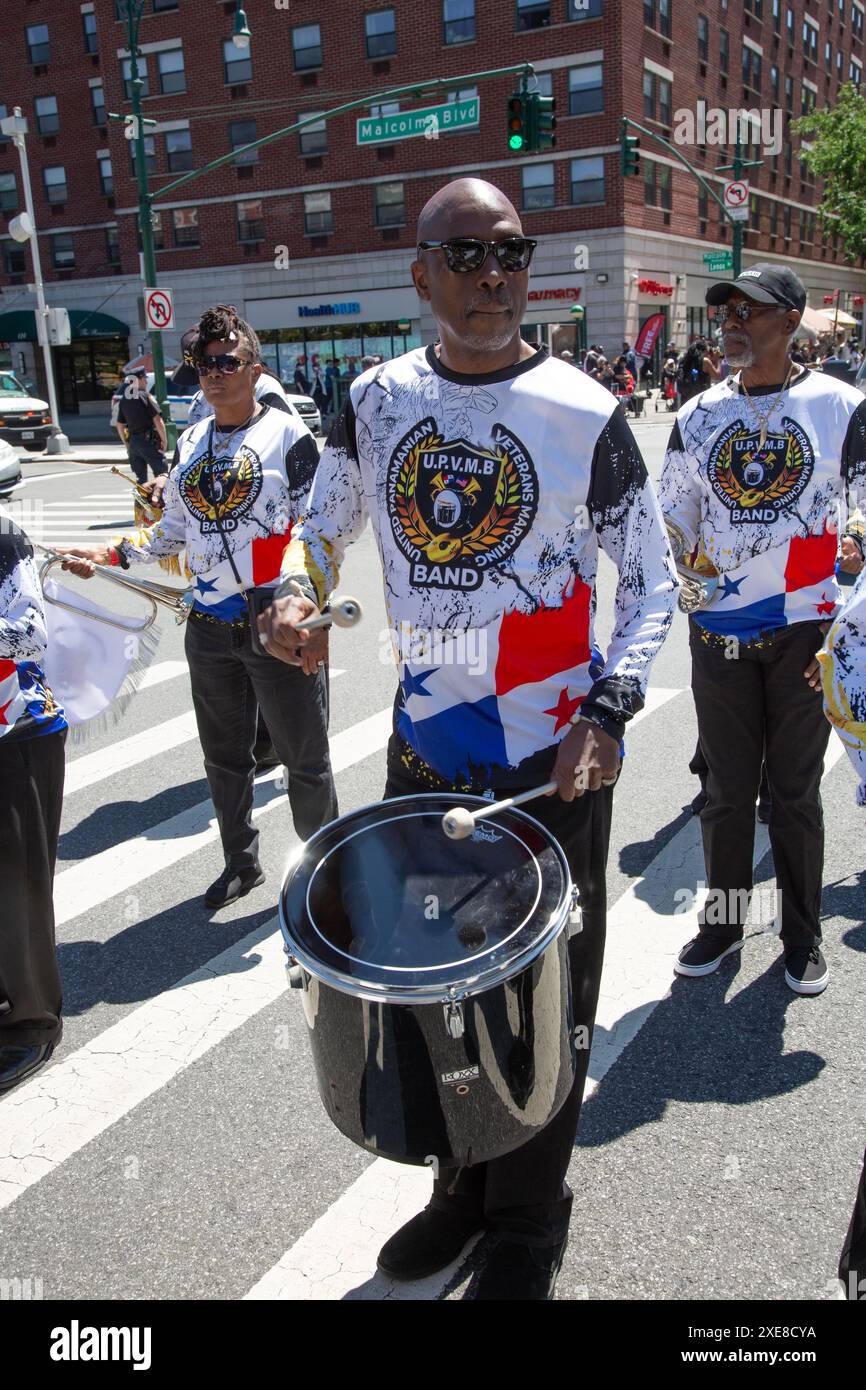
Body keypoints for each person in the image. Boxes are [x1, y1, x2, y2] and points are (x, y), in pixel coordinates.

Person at [258, 177, 677, 1299]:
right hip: (427, 753)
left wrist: (607, 710)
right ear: (422, 275)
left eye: (510, 253)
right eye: (467, 255)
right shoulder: (375, 398)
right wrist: (297, 600)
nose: (493, 276)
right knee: (430, 983)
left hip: (549, 761)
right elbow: (318, 529)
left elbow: (649, 583)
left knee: (546, 993)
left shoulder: (585, 410)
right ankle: (457, 1187)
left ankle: (529, 1221)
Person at [58, 304, 337, 911]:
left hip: (274, 619)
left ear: (253, 367)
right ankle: (242, 863)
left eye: (226, 361)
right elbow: (171, 534)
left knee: (303, 762)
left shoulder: (288, 436)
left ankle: (323, 885)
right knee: (224, 758)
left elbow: (318, 528)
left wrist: (306, 603)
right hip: (209, 626)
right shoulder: (190, 439)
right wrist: (107, 553)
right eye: (201, 363)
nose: (212, 373)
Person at [659, 263, 866, 995]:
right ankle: (722, 924)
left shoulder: (842, 407)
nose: (733, 324)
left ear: (791, 321)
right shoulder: (699, 415)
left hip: (806, 633)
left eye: (750, 311)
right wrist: (681, 551)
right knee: (724, 791)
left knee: (795, 792)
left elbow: (865, 502)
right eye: (727, 312)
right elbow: (674, 507)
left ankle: (802, 934)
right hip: (718, 633)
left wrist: (858, 542)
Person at [0, 507, 67, 1091]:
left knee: (17, 893)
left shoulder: (2, 536)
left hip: (16, 732)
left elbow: (28, 634)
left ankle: (32, 1023)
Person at [110, 368, 168, 485]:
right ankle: (160, 502)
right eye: (145, 379)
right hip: (149, 442)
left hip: (133, 443)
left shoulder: (124, 399)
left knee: (140, 481)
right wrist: (164, 440)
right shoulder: (145, 396)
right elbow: (157, 420)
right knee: (162, 477)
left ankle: (140, 503)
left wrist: (126, 443)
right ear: (139, 379)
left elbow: (119, 424)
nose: (146, 382)